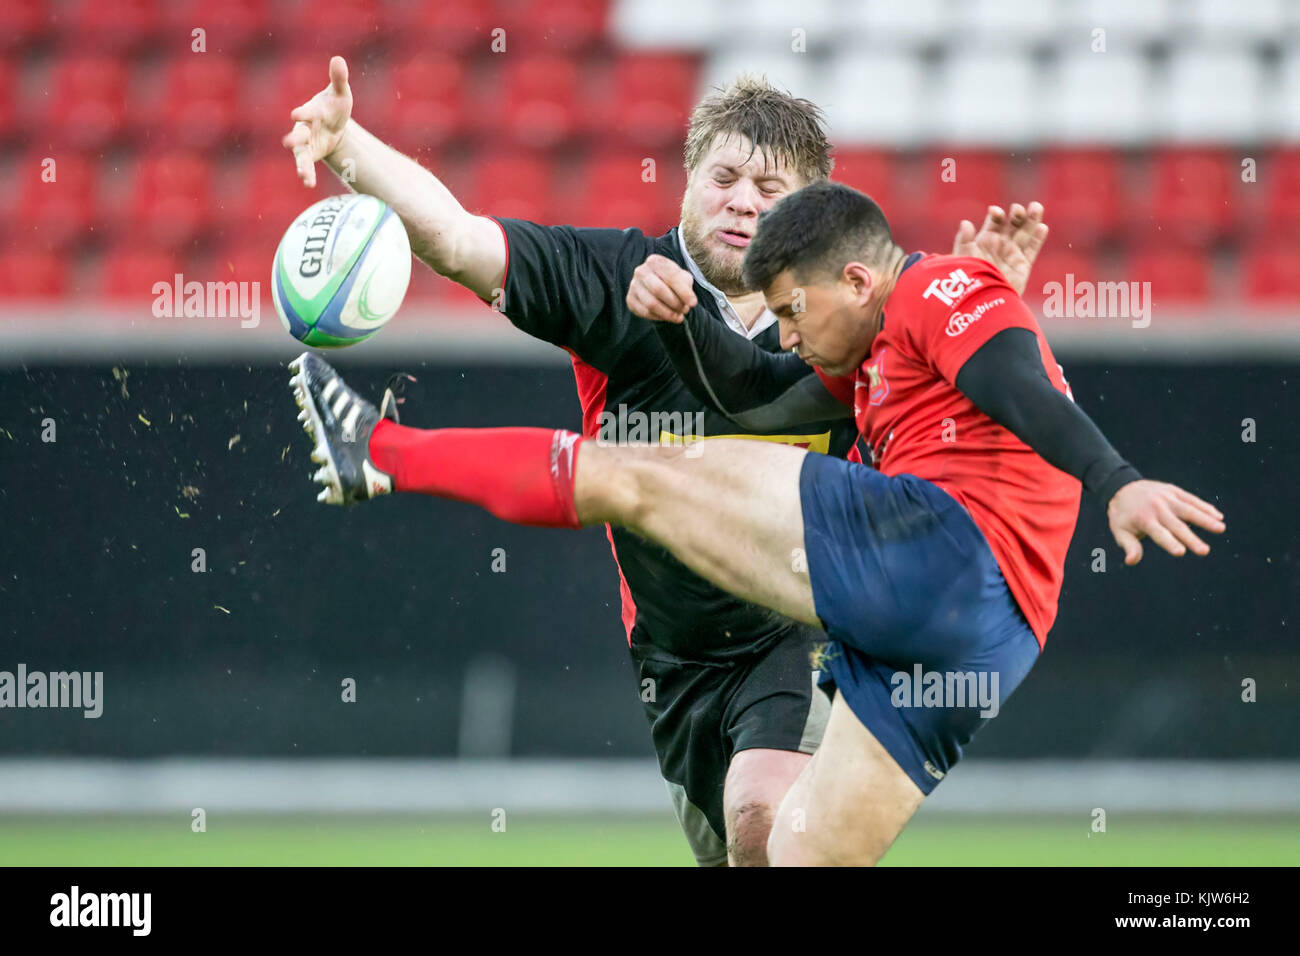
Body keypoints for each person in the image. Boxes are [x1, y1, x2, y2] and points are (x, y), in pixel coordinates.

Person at [284, 56, 1045, 865]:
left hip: (804, 628)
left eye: (771, 191)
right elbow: (455, 238)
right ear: (688, 179)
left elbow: (960, 411)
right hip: (674, 661)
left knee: (764, 818)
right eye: (724, 176)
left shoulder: (847, 317)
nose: (743, 202)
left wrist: (988, 296)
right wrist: (348, 147)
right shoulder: (614, 279)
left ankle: (388, 453)